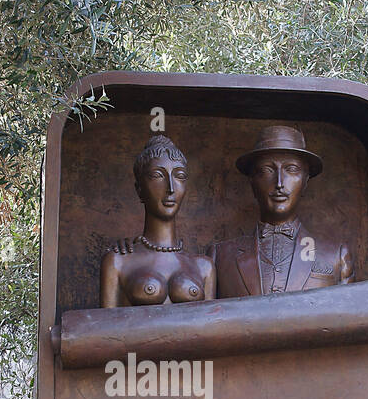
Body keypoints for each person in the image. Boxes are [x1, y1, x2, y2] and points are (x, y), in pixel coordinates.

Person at [208, 125, 353, 298]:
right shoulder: (221, 256)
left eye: (291, 169)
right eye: (267, 170)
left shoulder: (336, 255)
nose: (279, 183)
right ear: (252, 183)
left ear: (305, 182)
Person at [101, 135, 215, 308]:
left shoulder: (204, 266)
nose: (170, 188)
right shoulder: (118, 261)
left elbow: (212, 329)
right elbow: (102, 330)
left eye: (179, 176)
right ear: (139, 189)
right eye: (157, 175)